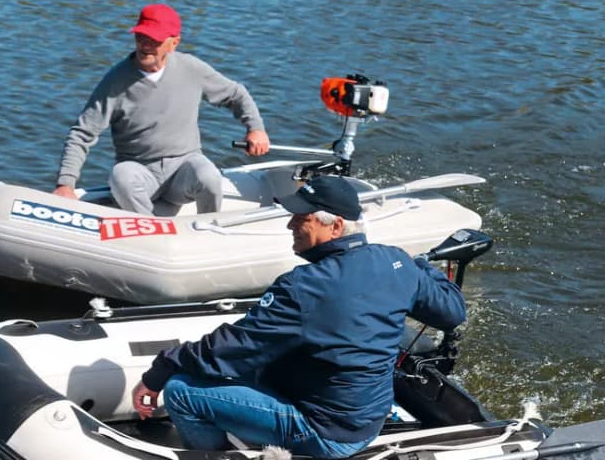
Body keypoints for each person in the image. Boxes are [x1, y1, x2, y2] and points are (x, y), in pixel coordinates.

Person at [131, 175, 467, 457]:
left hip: (326, 432)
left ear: (335, 226)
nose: (291, 223)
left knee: (181, 390)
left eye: (302, 218)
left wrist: (162, 368)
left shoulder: (304, 286)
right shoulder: (396, 261)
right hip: (367, 418)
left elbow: (235, 346)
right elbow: (452, 312)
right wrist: (420, 266)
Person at [53, 3, 270, 215]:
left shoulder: (191, 68)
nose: (145, 45)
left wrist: (255, 128)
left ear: (174, 43)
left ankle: (209, 227)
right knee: (121, 176)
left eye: (153, 40)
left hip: (184, 166)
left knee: (209, 176)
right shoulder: (115, 81)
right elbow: (82, 134)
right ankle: (149, 231)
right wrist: (66, 184)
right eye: (140, 36)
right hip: (140, 171)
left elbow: (236, 94)